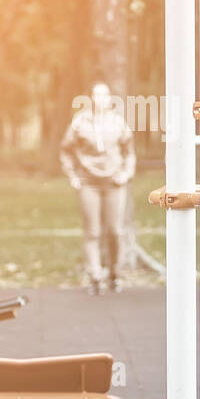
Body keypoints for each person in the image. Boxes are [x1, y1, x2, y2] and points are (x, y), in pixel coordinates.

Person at [60, 82, 134, 295]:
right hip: (89, 183)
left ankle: (114, 273)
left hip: (113, 183)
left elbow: (129, 151)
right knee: (92, 232)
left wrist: (125, 174)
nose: (100, 99)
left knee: (114, 231)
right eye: (96, 95)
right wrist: (73, 175)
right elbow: (66, 150)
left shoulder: (118, 123)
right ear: (90, 98)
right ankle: (94, 276)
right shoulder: (80, 122)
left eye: (104, 95)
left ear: (109, 99)